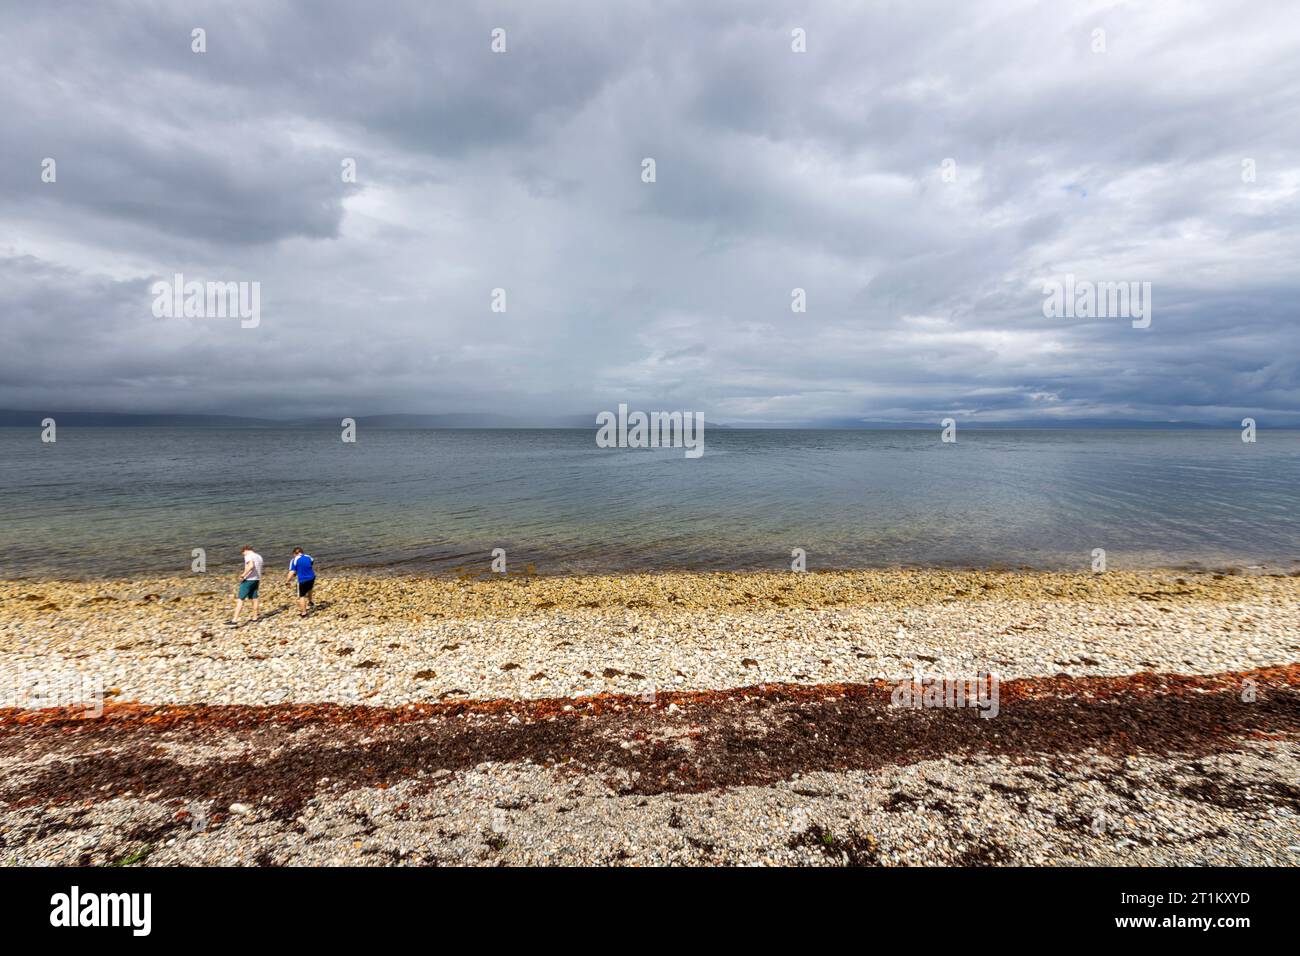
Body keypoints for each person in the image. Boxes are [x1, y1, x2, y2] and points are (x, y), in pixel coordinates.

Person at [230, 546, 263, 626]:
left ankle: (234, 620)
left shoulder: (248, 556)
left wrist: (242, 575)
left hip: (248, 580)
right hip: (257, 579)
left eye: (243, 553)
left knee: (240, 599)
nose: (243, 555)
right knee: (254, 598)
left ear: (245, 551)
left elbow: (251, 566)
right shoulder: (259, 556)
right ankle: (255, 618)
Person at [285, 547, 317, 617]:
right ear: (302, 552)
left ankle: (304, 613)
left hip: (302, 580)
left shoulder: (294, 560)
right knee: (309, 588)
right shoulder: (309, 557)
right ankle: (310, 601)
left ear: (295, 553)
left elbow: (292, 571)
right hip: (312, 577)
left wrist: (287, 581)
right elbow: (311, 563)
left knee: (301, 596)